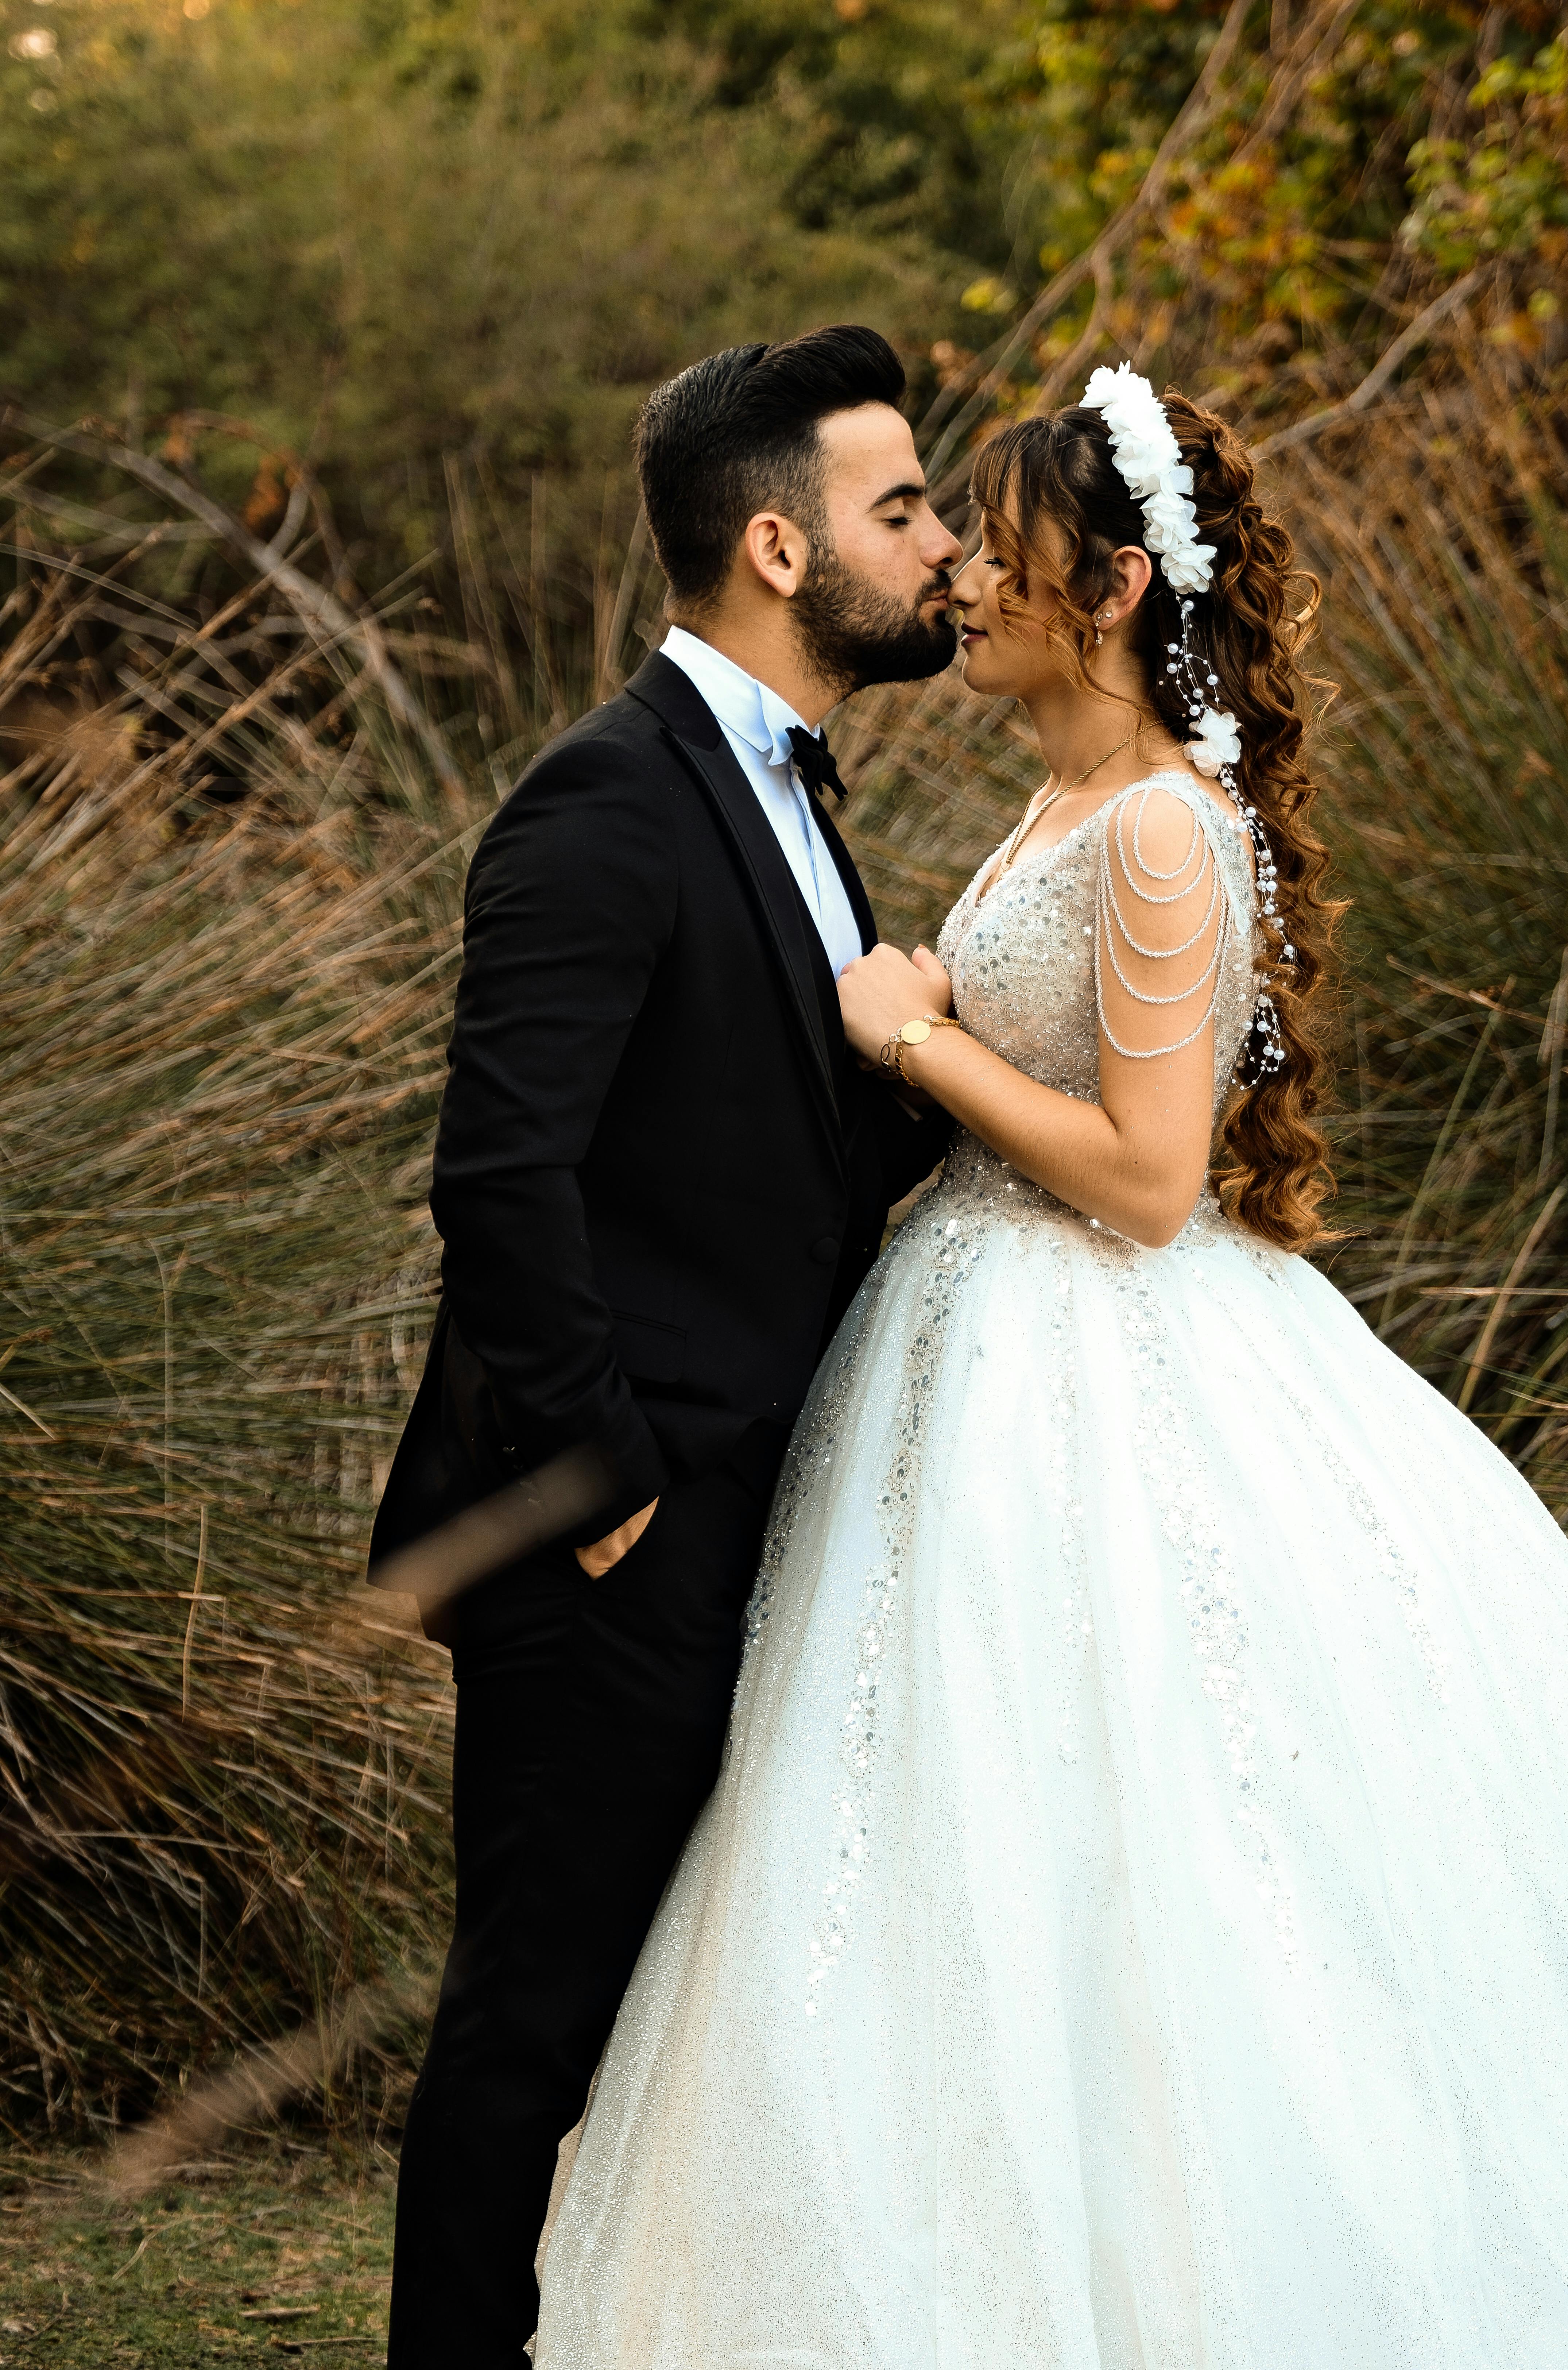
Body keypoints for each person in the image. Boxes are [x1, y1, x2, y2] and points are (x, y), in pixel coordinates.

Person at [533, 367, 1568, 2368]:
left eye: (1000, 543)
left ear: (1117, 582)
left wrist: (915, 1041)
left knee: (1165, 1808)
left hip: (1105, 1359)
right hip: (967, 1349)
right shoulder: (1061, 800)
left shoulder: (1166, 827)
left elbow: (1154, 1185)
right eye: (950, 533)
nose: (966, 577)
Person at [367, 324, 961, 2370]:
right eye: (905, 509)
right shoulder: (604, 805)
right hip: (605, 1530)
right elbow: (496, 1175)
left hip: (743, 1499)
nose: (945, 544)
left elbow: (755, 1155)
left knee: (670, 2015)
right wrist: (605, 1476)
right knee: (529, 2025)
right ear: (783, 549)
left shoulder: (787, 790)